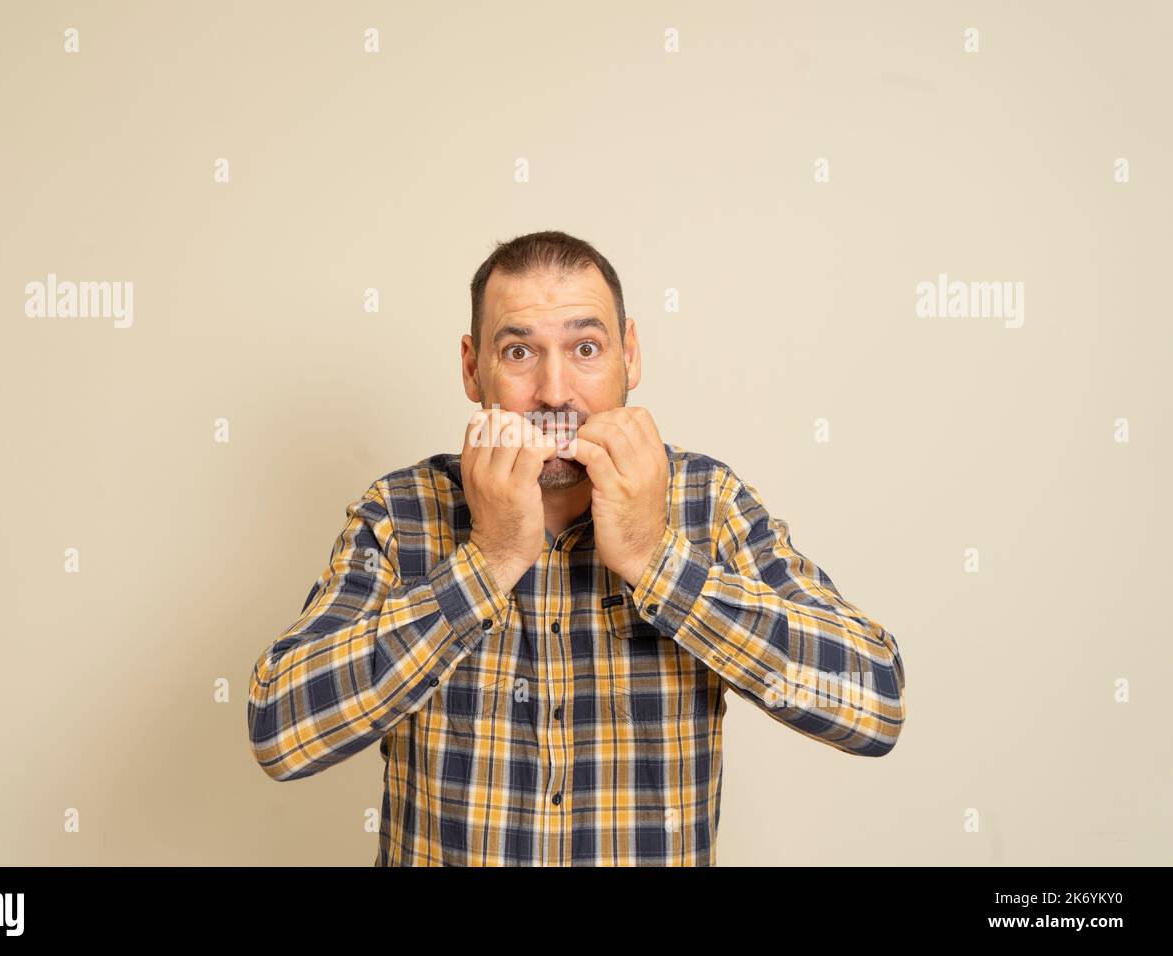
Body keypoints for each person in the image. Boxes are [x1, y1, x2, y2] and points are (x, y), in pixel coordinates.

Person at [246, 230, 907, 866]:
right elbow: (279, 733)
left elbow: (873, 703)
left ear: (632, 355)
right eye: (519, 353)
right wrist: (488, 562)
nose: (556, 392)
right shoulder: (402, 512)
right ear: (473, 368)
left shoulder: (708, 502)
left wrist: (655, 560)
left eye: (586, 349)